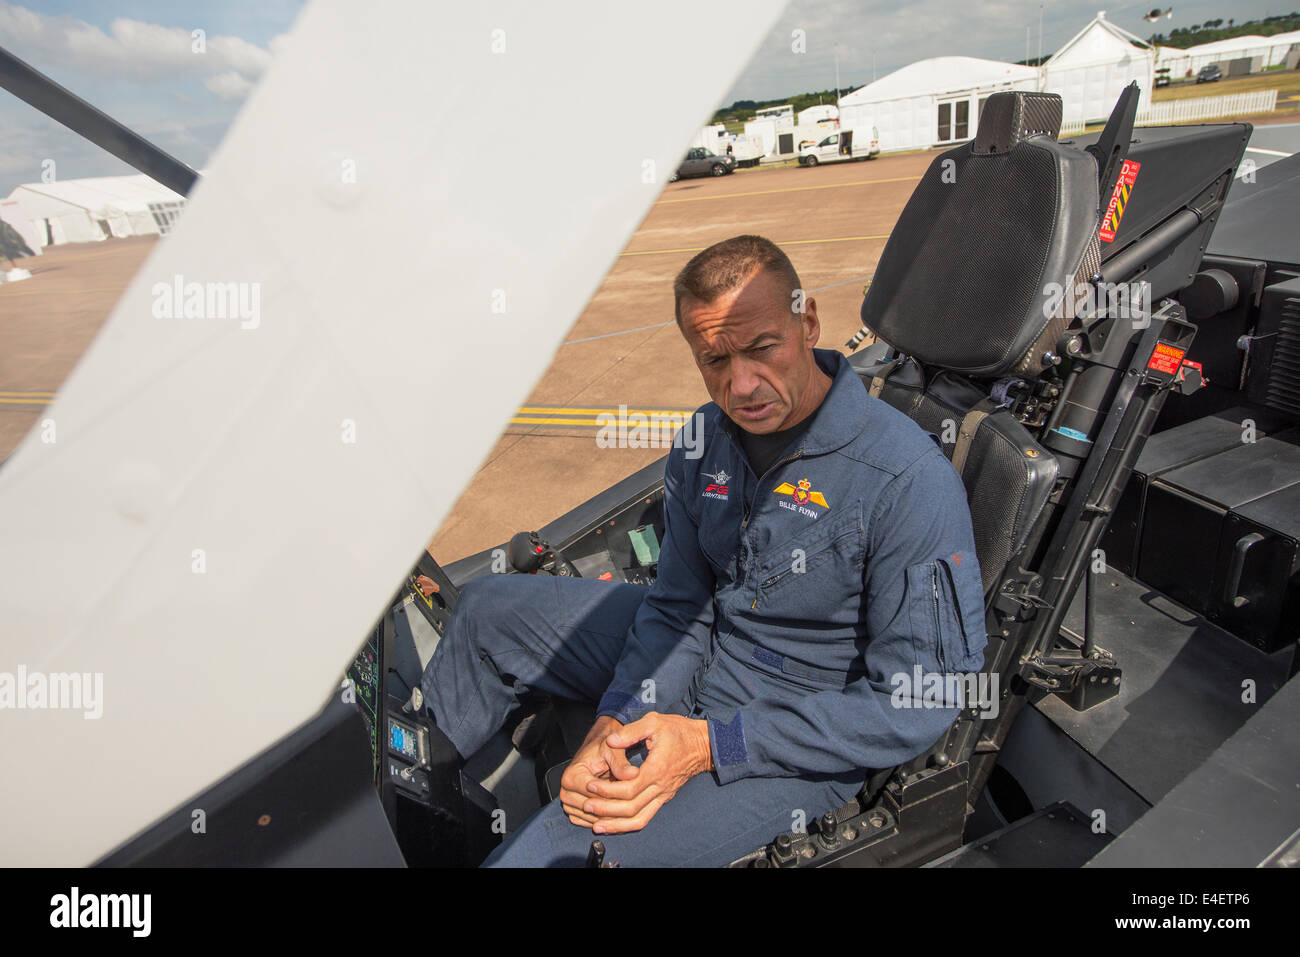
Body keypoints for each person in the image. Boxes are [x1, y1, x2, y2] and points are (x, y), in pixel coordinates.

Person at [419, 234, 987, 866]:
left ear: (809, 323)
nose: (741, 384)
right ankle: (413, 815)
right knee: (487, 610)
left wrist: (712, 743)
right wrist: (619, 716)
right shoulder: (704, 441)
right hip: (703, 645)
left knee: (550, 857)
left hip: (795, 723)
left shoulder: (904, 479)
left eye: (762, 348)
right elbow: (677, 606)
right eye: (714, 360)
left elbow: (922, 701)